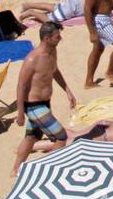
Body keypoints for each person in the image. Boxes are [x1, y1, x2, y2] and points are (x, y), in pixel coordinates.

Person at [12, 21, 76, 174]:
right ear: (47, 38)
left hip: (45, 103)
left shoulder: (52, 51)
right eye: (57, 37)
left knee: (32, 136)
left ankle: (15, 170)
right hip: (33, 106)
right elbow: (21, 86)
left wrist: (67, 90)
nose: (60, 39)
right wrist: (20, 113)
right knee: (61, 136)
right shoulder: (32, 59)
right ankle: (52, 171)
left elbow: (54, 71)